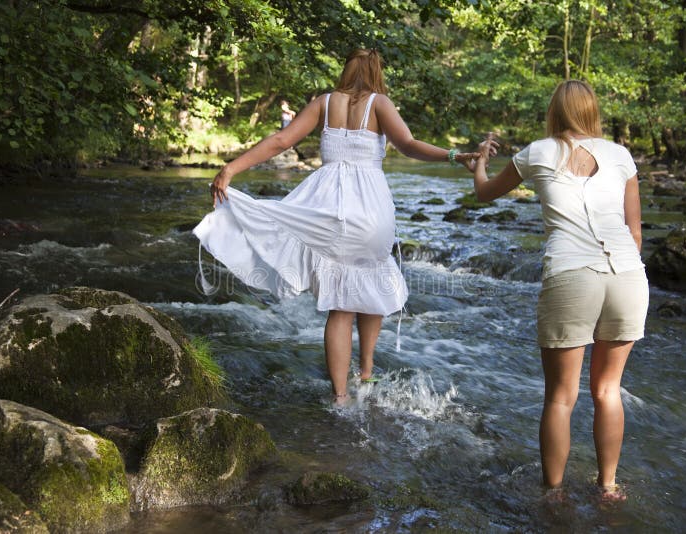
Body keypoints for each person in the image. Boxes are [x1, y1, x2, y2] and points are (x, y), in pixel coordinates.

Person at [194, 49, 477, 404]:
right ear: (376, 72)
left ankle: (340, 395)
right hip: (371, 212)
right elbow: (409, 145)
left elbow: (281, 141)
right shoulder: (380, 103)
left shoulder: (324, 103)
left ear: (345, 71)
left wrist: (231, 168)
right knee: (373, 277)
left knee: (340, 306)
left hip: (327, 210)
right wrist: (456, 155)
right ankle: (367, 372)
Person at [469, 80, 648, 499]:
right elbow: (634, 231)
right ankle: (608, 487)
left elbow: (483, 193)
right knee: (608, 390)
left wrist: (478, 162)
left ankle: (554, 494)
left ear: (555, 112)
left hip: (571, 274)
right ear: (592, 111)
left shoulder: (537, 152)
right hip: (627, 274)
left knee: (561, 398)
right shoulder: (621, 156)